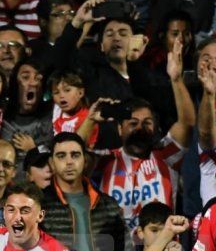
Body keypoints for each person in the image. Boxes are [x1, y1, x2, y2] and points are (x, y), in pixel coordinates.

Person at [78, 39, 193, 230]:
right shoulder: (106, 160)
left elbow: (187, 124)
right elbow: (70, 156)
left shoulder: (166, 155)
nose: (140, 128)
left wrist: (176, 79)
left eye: (147, 123)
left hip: (160, 250)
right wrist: (90, 121)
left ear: (156, 128)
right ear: (119, 129)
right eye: (133, 123)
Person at [40, 132, 127, 251]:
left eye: (75, 155)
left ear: (85, 160)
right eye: (61, 156)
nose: (69, 161)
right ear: (51, 163)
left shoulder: (108, 205)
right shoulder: (39, 205)